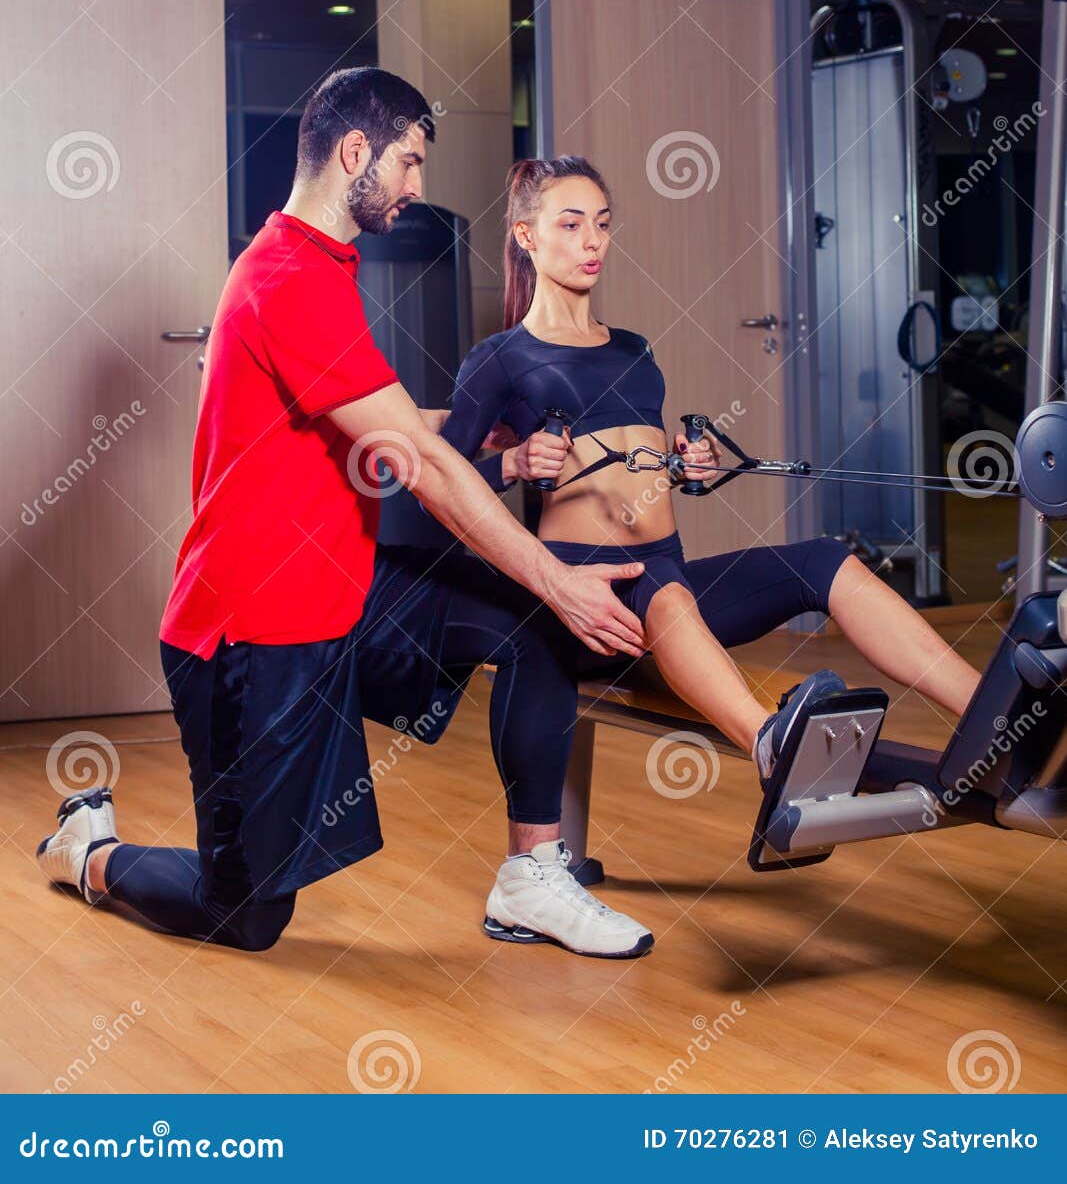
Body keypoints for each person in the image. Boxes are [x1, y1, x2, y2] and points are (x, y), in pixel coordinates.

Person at [35, 72, 651, 957]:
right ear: (354, 152)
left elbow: (379, 418)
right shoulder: (287, 276)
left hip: (344, 594)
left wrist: (501, 453)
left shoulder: (318, 265)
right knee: (241, 914)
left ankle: (530, 873)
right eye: (409, 162)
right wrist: (559, 574)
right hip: (252, 635)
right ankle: (88, 852)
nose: (416, 186)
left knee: (527, 624)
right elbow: (416, 458)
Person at [422, 154, 984, 943]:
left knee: (821, 560)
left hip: (664, 579)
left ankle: (990, 715)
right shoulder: (502, 357)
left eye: (603, 223)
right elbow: (441, 481)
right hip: (582, 602)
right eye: (571, 224)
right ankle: (769, 748)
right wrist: (509, 463)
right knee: (666, 595)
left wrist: (693, 469)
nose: (593, 242)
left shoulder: (635, 349)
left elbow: (649, 471)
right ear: (525, 236)